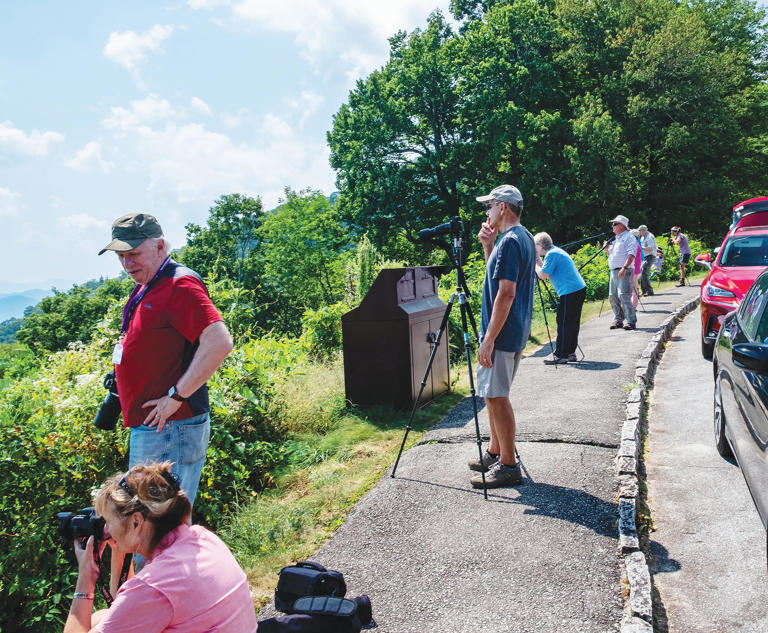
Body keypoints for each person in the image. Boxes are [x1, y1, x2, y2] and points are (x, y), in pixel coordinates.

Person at [98, 213, 233, 508]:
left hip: (172, 427)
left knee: (159, 520)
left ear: (159, 246)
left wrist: (176, 397)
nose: (127, 264)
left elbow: (220, 342)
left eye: (133, 254)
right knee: (148, 518)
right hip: (158, 427)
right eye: (121, 257)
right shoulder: (148, 284)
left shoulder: (178, 285)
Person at [63, 462, 258, 633]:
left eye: (109, 521)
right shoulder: (203, 538)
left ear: (136, 522)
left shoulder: (153, 585)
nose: (106, 529)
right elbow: (124, 608)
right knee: (103, 616)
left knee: (100, 621)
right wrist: (119, 553)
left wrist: (86, 577)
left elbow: (137, 599)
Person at [468, 184, 536, 488]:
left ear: (503, 207)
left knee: (497, 397)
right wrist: (488, 246)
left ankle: (508, 465)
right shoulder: (523, 237)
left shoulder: (510, 241)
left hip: (502, 333)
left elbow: (506, 294)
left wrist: (489, 339)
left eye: (490, 205)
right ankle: (495, 451)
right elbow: (496, 279)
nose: (487, 211)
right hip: (514, 329)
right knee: (491, 394)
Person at [533, 232, 586, 364]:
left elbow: (543, 275)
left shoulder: (552, 255)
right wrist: (537, 259)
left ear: (540, 245)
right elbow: (545, 269)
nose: (534, 249)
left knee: (564, 323)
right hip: (576, 289)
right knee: (571, 323)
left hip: (570, 291)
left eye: (535, 246)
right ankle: (570, 352)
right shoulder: (554, 252)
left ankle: (561, 354)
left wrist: (533, 263)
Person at [606, 215, 637, 331]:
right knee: (613, 296)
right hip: (614, 270)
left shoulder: (629, 237)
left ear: (622, 226)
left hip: (625, 270)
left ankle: (631, 321)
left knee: (624, 295)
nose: (612, 226)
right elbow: (614, 254)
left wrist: (624, 268)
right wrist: (607, 249)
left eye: (615, 224)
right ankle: (618, 320)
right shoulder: (616, 238)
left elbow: (631, 254)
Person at [637, 225, 656, 296]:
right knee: (642, 273)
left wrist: (640, 247)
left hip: (650, 256)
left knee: (644, 273)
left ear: (644, 230)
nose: (639, 232)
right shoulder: (642, 237)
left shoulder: (650, 237)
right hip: (644, 257)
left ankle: (649, 291)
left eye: (640, 231)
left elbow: (650, 248)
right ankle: (644, 291)